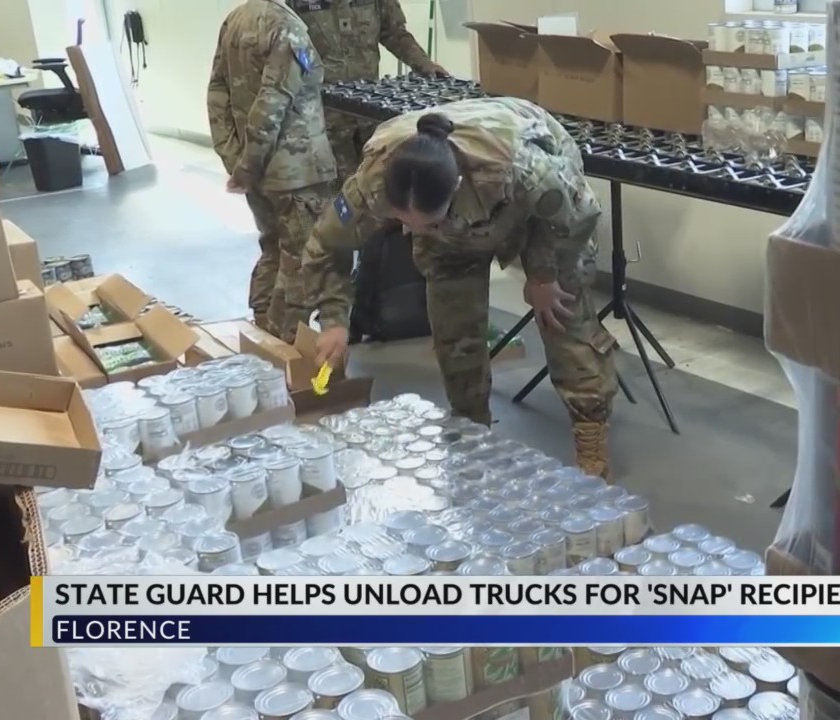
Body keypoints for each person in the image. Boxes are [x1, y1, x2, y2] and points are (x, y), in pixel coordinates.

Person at [301, 97, 619, 478]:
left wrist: (542, 276)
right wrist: (334, 320)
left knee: (562, 313)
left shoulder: (524, 170)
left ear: (455, 187)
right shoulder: (372, 185)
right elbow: (326, 244)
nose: (414, 231)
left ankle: (590, 434)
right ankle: (471, 431)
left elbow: (578, 214)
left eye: (426, 223)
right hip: (452, 236)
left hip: (544, 218)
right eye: (406, 223)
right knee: (454, 331)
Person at [208, 0, 337, 343]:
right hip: (295, 171)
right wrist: (248, 164)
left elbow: (217, 93)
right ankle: (282, 346)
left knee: (274, 248)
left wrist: (236, 159)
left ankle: (261, 331)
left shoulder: (235, 20)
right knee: (303, 259)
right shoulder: (287, 28)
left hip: (259, 171)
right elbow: (272, 103)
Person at [288, 0, 447, 180]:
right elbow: (286, 46)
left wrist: (424, 64)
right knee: (333, 187)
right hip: (323, 118)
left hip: (369, 112)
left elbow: (394, 32)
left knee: (375, 181)